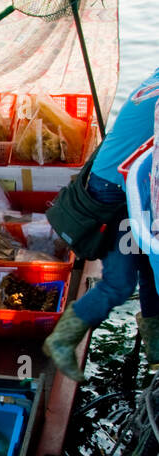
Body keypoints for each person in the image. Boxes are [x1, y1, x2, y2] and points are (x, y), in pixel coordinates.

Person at [43, 69, 159, 382]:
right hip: (113, 194)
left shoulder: (153, 79)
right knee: (120, 282)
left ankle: (156, 351)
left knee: (149, 266)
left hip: (119, 182)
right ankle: (63, 339)